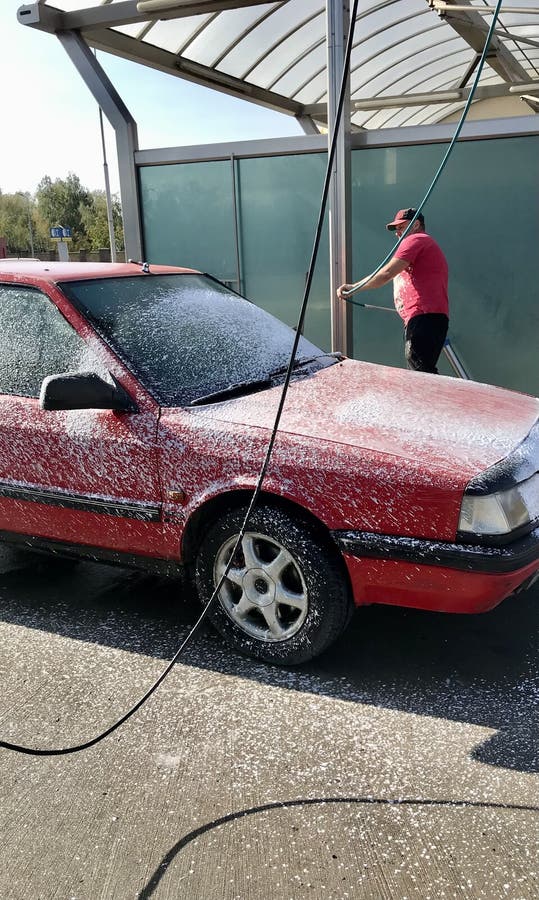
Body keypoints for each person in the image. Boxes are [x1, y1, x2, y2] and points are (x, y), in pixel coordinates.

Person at [337, 208, 449, 374]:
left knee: (420, 372)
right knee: (420, 369)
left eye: (401, 227)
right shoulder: (425, 243)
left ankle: (432, 400)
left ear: (416, 224)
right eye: (396, 229)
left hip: (424, 315)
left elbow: (386, 274)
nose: (397, 233)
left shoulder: (416, 239)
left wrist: (354, 287)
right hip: (427, 317)